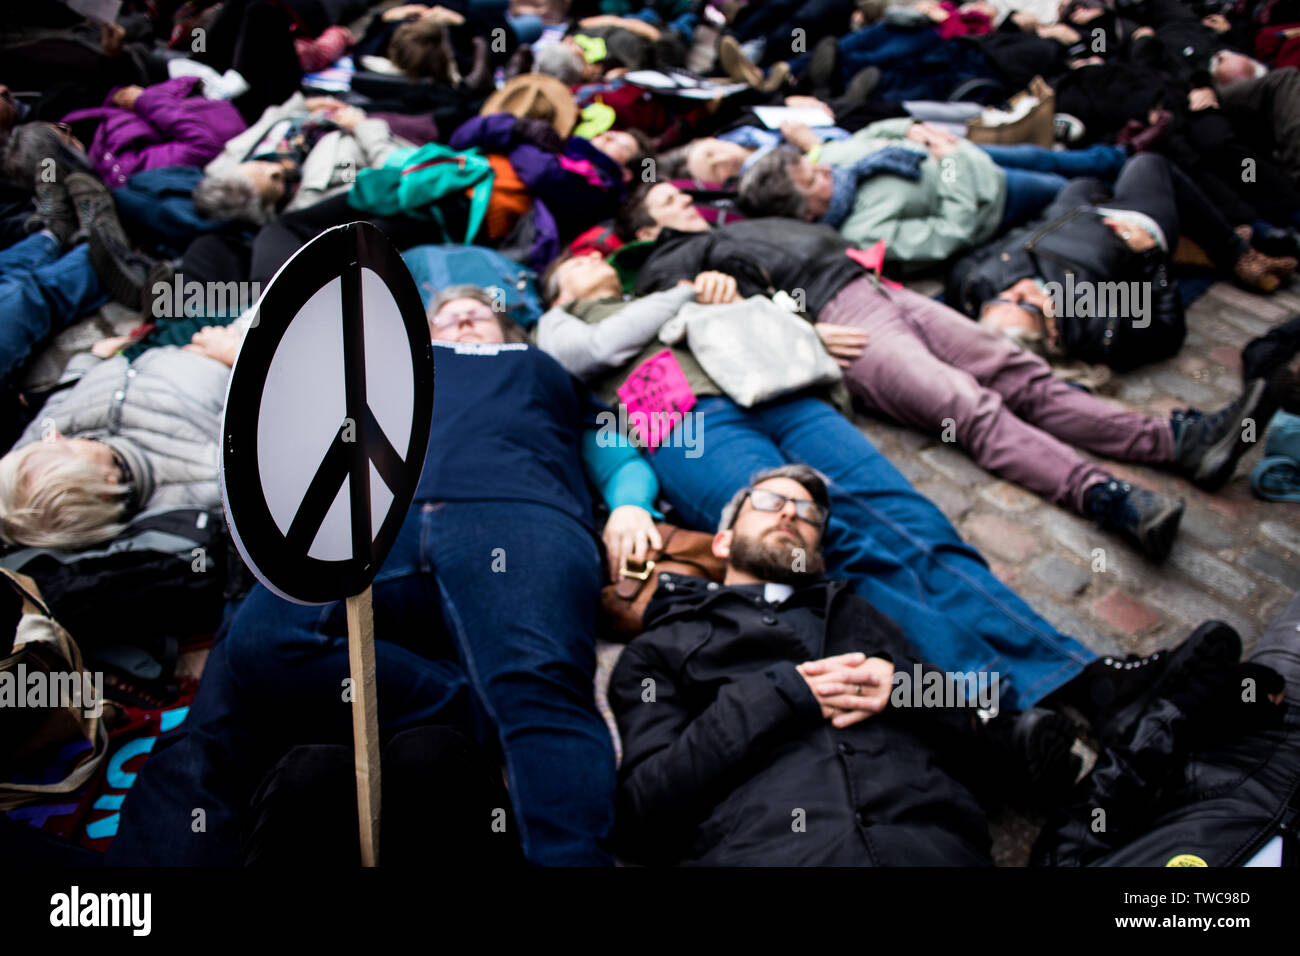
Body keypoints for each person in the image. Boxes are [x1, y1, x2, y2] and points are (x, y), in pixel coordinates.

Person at [108, 285, 661, 866]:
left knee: (541, 685)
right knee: (259, 646)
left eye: (481, 312)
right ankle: (475, 705)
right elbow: (300, 397)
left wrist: (630, 504)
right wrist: (242, 357)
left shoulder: (542, 367)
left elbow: (612, 447)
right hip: (368, 516)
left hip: (519, 512)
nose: (466, 318)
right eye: (447, 314)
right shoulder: (388, 367)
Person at [535, 241, 1101, 711]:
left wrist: (732, 301)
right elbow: (587, 354)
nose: (595, 257)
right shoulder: (555, 326)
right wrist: (685, 293)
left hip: (775, 392)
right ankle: (987, 695)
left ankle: (1059, 667)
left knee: (908, 517)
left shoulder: (654, 296)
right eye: (578, 261)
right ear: (557, 289)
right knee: (823, 540)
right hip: (682, 419)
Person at [607, 182, 1285, 559]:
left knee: (1022, 376)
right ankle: (1107, 497)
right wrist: (791, 326)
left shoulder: (734, 218)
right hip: (842, 327)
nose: (679, 197)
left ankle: (1176, 442)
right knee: (971, 411)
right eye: (663, 198)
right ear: (647, 222)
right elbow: (700, 329)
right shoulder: (671, 261)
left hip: (883, 293)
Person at [608, 465, 997, 865]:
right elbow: (640, 814)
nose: (789, 514)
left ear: (818, 560)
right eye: (767, 503)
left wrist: (906, 686)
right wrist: (777, 697)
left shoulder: (865, 618)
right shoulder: (660, 648)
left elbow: (977, 743)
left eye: (808, 513)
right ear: (722, 543)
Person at [737, 122, 1129, 265]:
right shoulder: (863, 233)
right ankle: (1132, 200)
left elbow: (874, 133)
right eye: (812, 181)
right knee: (1066, 190)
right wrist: (950, 163)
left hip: (966, 153)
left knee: (1047, 156)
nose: (824, 168)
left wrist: (914, 130)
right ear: (805, 214)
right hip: (993, 194)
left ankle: (1123, 154)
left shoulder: (836, 160)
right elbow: (951, 231)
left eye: (811, 164)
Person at [0, 323, 241, 549]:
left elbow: (57, 402)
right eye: (68, 448)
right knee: (237, 289)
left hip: (137, 356)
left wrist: (89, 359)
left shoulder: (29, 468)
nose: (55, 435)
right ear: (108, 484)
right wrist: (237, 355)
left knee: (184, 291)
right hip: (220, 352)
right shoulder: (204, 479)